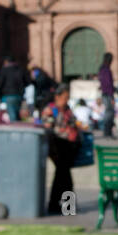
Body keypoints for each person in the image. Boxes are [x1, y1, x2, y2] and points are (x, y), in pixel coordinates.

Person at [40, 84, 84, 215]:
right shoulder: (50, 110)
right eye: (64, 98)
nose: (66, 101)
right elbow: (47, 128)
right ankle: (65, 207)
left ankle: (58, 206)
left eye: (68, 98)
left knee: (62, 176)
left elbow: (73, 122)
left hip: (69, 146)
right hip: (58, 146)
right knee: (64, 176)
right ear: (57, 97)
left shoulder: (67, 109)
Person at [0, 55, 26, 125]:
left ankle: (15, 130)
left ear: (6, 62)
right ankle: (19, 127)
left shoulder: (4, 70)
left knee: (12, 114)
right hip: (19, 95)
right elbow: (27, 81)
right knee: (17, 113)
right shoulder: (20, 69)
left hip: (9, 94)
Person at [97, 51, 118, 138]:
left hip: (104, 93)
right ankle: (108, 132)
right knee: (110, 113)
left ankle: (107, 132)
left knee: (108, 113)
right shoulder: (106, 70)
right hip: (108, 94)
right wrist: (112, 96)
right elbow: (108, 84)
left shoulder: (101, 69)